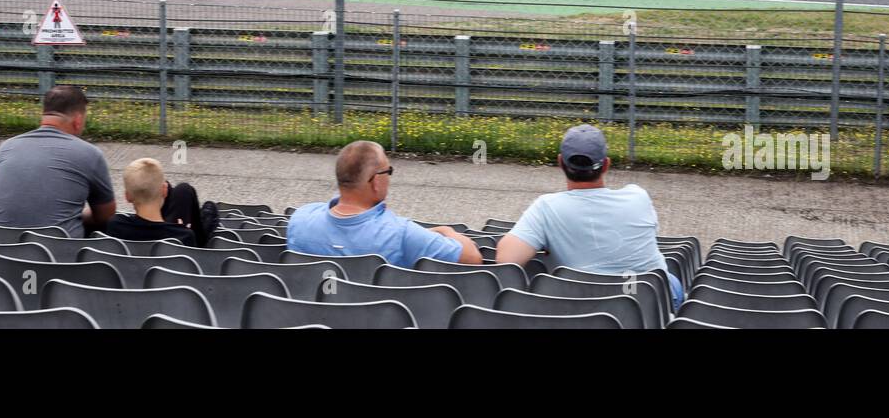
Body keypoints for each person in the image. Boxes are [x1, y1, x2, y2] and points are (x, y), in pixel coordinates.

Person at [496, 124, 683, 311]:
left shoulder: (545, 208)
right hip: (647, 302)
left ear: (560, 162)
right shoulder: (638, 196)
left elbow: (505, 260)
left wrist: (546, 240)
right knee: (671, 278)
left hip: (586, 307)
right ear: (606, 165)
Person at [287, 141, 481, 267]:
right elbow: (473, 258)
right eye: (389, 171)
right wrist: (448, 232)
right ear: (376, 181)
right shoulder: (401, 233)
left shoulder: (300, 219)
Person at [0, 85, 116, 237]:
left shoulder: (6, 147)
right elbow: (106, 216)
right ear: (78, 121)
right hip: (57, 258)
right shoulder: (89, 154)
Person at [106, 158, 217, 247]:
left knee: (182, 190)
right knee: (199, 200)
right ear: (165, 190)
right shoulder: (183, 236)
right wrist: (180, 229)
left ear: (127, 197)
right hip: (178, 240)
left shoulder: (115, 224)